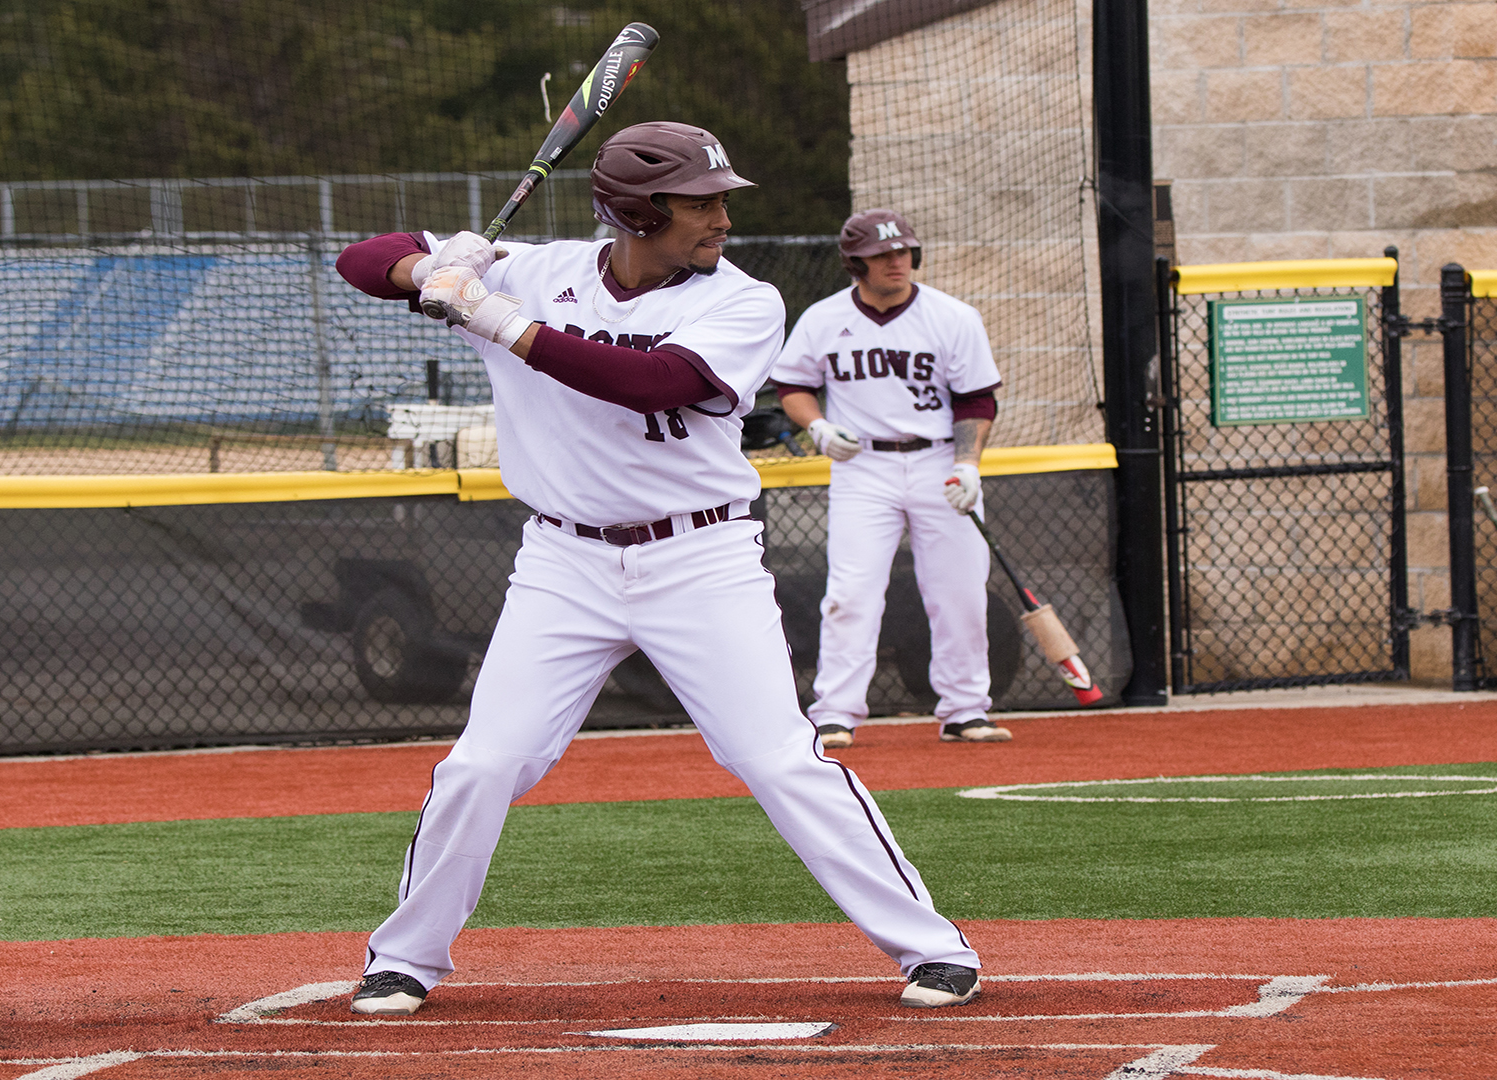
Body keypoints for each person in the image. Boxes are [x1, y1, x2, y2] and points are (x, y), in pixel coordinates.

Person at [332, 122, 983, 1015]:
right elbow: (359, 259)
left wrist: (493, 314)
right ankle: (405, 956)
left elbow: (651, 383)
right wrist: (430, 267)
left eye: (720, 199)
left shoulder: (741, 301)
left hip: (701, 557)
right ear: (638, 211)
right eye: (700, 202)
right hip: (563, 559)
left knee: (778, 758)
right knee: (487, 762)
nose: (721, 216)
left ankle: (931, 946)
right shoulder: (531, 268)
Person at [769, 209, 1006, 748]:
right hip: (863, 465)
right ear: (856, 262)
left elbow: (976, 399)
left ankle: (966, 709)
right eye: (882, 255)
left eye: (902, 251)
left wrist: (969, 463)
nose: (896, 261)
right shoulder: (824, 319)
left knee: (961, 592)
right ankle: (836, 711)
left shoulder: (953, 317)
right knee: (851, 593)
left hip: (940, 462)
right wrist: (820, 428)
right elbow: (792, 386)